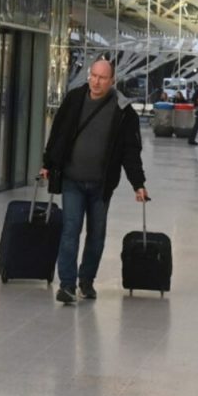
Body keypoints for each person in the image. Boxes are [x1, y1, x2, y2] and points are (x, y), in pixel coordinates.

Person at [40, 58, 149, 305]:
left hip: (101, 184)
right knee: (70, 230)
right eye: (93, 75)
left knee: (96, 235)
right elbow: (58, 133)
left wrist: (138, 183)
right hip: (72, 179)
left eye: (102, 78)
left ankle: (86, 281)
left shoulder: (123, 111)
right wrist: (48, 163)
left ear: (112, 81)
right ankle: (67, 285)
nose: (96, 82)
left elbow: (130, 152)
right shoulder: (74, 99)